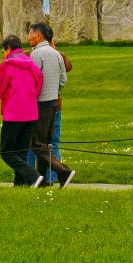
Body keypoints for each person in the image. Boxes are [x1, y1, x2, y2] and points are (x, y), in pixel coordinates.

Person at [0, 35, 45, 188]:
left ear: (8, 48)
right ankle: (20, 186)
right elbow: (39, 83)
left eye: (3, 51)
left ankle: (35, 177)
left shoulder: (7, 66)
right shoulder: (31, 65)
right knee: (21, 151)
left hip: (14, 115)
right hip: (31, 114)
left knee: (6, 152)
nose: (3, 55)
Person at [26, 22, 75, 188]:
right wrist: (53, 90)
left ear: (38, 35)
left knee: (37, 144)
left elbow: (33, 81)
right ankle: (44, 181)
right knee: (48, 142)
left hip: (39, 104)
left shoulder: (36, 54)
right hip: (54, 102)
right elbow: (63, 80)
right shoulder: (56, 54)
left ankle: (63, 172)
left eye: (30, 33)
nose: (28, 37)